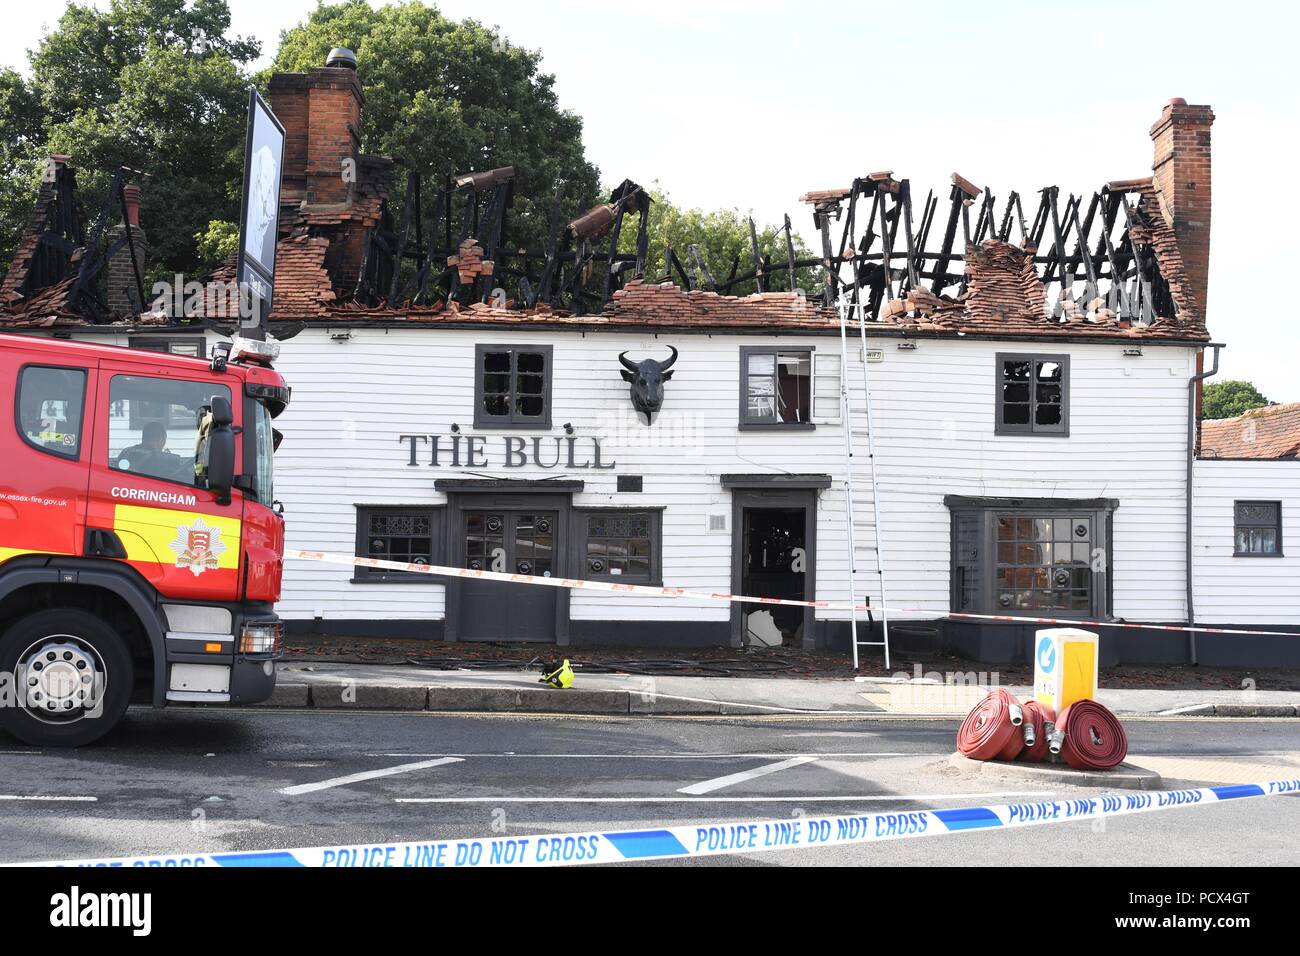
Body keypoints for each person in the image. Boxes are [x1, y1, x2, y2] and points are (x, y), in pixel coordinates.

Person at [116, 422, 187, 481]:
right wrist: (167, 457)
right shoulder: (162, 458)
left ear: (143, 437)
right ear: (161, 439)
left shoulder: (125, 452)